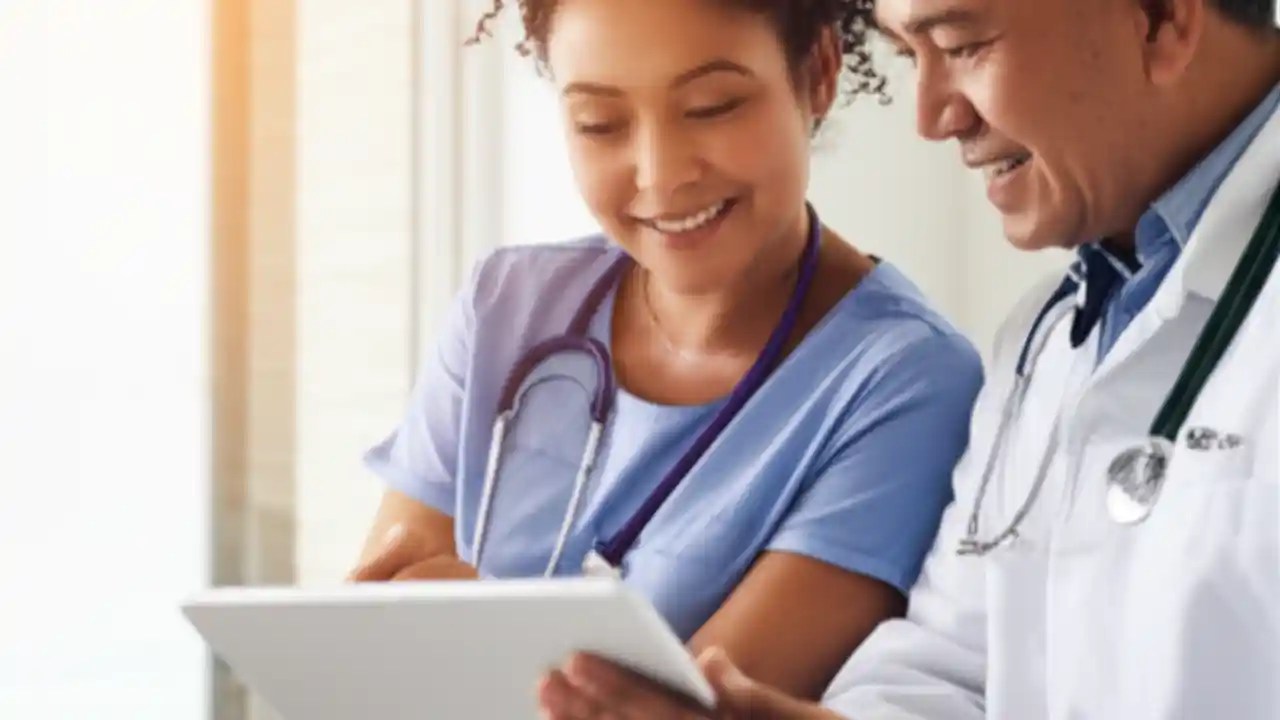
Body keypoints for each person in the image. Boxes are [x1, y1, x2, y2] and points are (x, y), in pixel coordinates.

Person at [537, 0, 1280, 717]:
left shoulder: (907, 371)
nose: (931, 117)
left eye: (961, 46)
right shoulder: (1046, 341)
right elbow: (943, 672)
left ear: (1160, 16)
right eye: (906, 53)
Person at [348, 0, 984, 701]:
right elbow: (371, 651)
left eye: (712, 106)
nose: (660, 173)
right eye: (600, 123)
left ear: (820, 72)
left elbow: (692, 712)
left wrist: (470, 651)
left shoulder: (907, 383)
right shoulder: (505, 308)